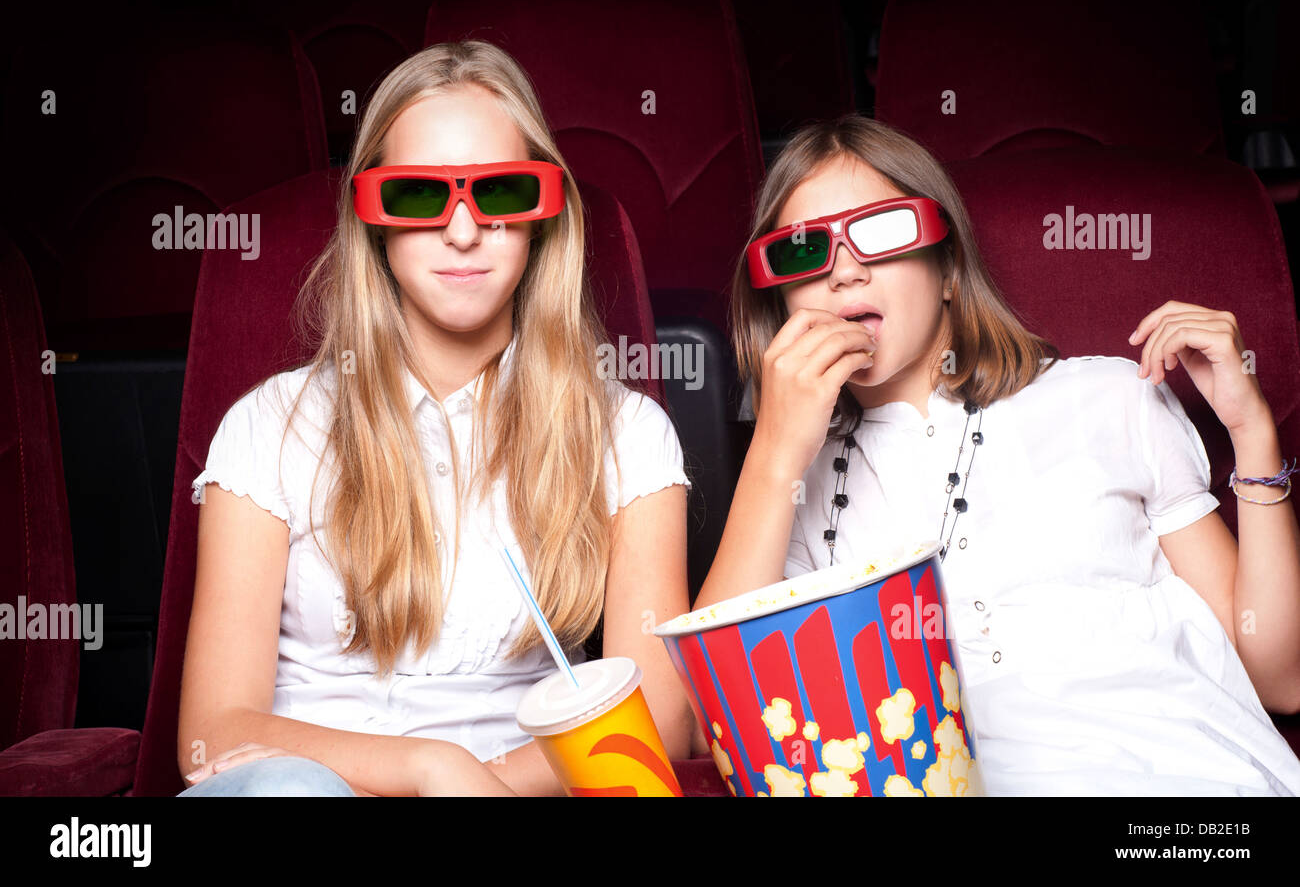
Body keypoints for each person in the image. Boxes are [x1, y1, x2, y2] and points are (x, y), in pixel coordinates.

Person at [697, 114, 1300, 795]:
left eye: (882, 230)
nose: (844, 269)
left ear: (949, 268)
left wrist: (1253, 433)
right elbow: (716, 718)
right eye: (805, 251)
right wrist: (775, 454)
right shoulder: (796, 488)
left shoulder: (1111, 396)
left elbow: (1281, 679)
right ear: (782, 304)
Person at [177, 41, 694, 797]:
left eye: (502, 193)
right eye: (420, 195)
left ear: (544, 212)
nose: (462, 230)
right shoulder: (268, 426)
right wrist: (430, 767)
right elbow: (209, 735)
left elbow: (654, 727)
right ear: (373, 217)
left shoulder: (629, 434)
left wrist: (484, 784)